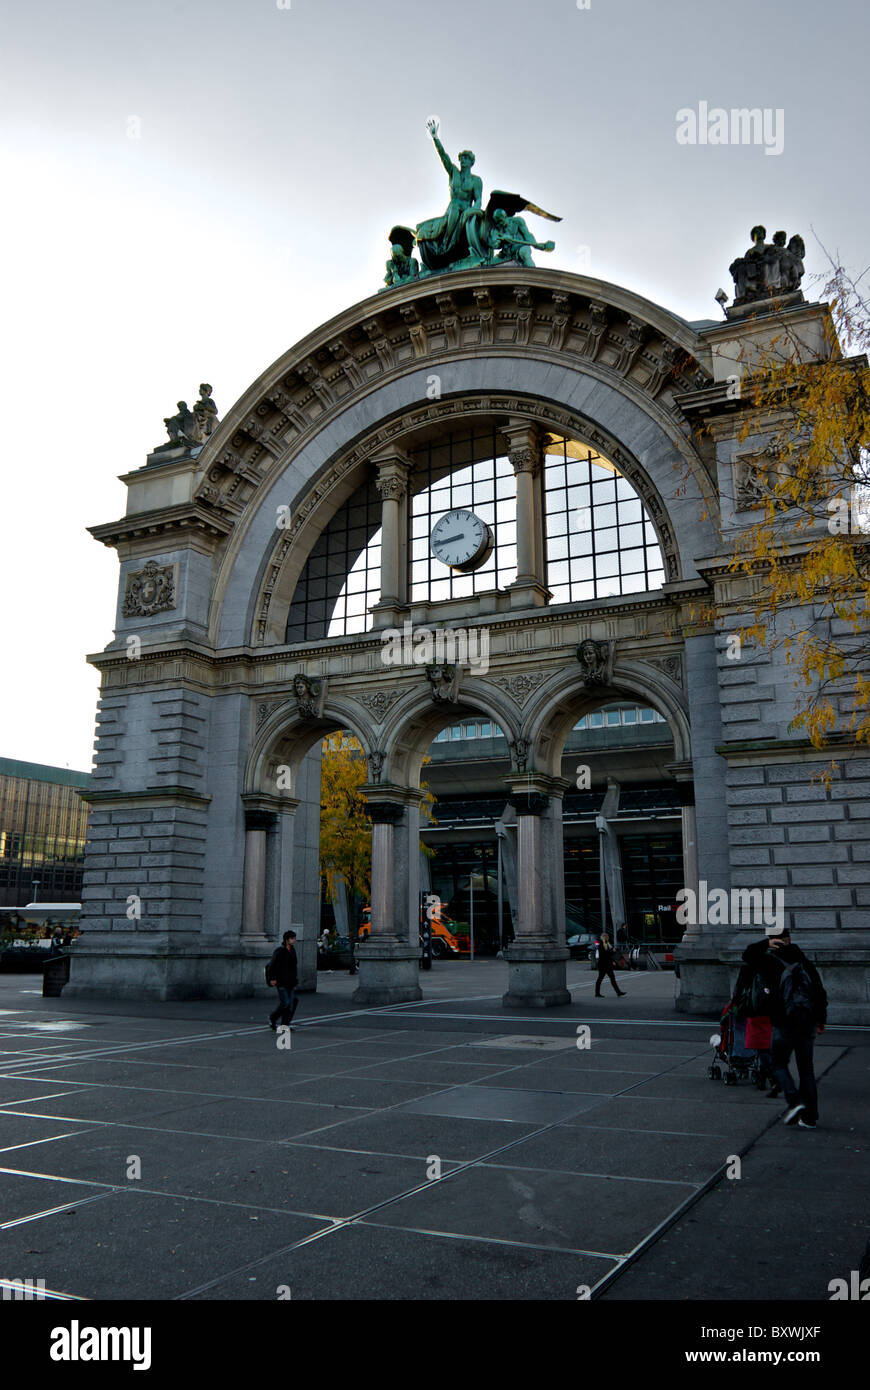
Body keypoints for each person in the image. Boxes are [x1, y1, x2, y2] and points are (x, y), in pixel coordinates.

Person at [760, 926, 827, 1128]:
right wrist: (821, 1019)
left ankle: (795, 1101)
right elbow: (819, 991)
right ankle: (810, 1117)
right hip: (807, 1022)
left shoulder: (769, 962)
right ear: (789, 939)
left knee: (777, 1063)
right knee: (806, 1069)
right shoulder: (803, 960)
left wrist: (765, 945)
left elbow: (749, 956)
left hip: (784, 1022)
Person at [267, 930, 299, 1032]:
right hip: (281, 981)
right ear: (287, 940)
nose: (294, 940)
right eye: (292, 938)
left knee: (291, 1004)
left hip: (290, 982)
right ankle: (273, 1018)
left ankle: (285, 1025)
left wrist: (295, 982)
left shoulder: (293, 951)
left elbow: (294, 968)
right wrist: (271, 978)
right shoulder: (280, 951)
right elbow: (272, 965)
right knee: (285, 1003)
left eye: (294, 938)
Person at [595, 931, 626, 998]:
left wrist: (613, 959)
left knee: (612, 978)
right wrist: (612, 951)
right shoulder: (601, 944)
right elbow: (605, 954)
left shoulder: (607, 944)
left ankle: (618, 992)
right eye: (607, 937)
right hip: (603, 965)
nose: (608, 938)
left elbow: (609, 954)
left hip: (607, 964)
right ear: (604, 937)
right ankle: (597, 993)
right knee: (600, 979)